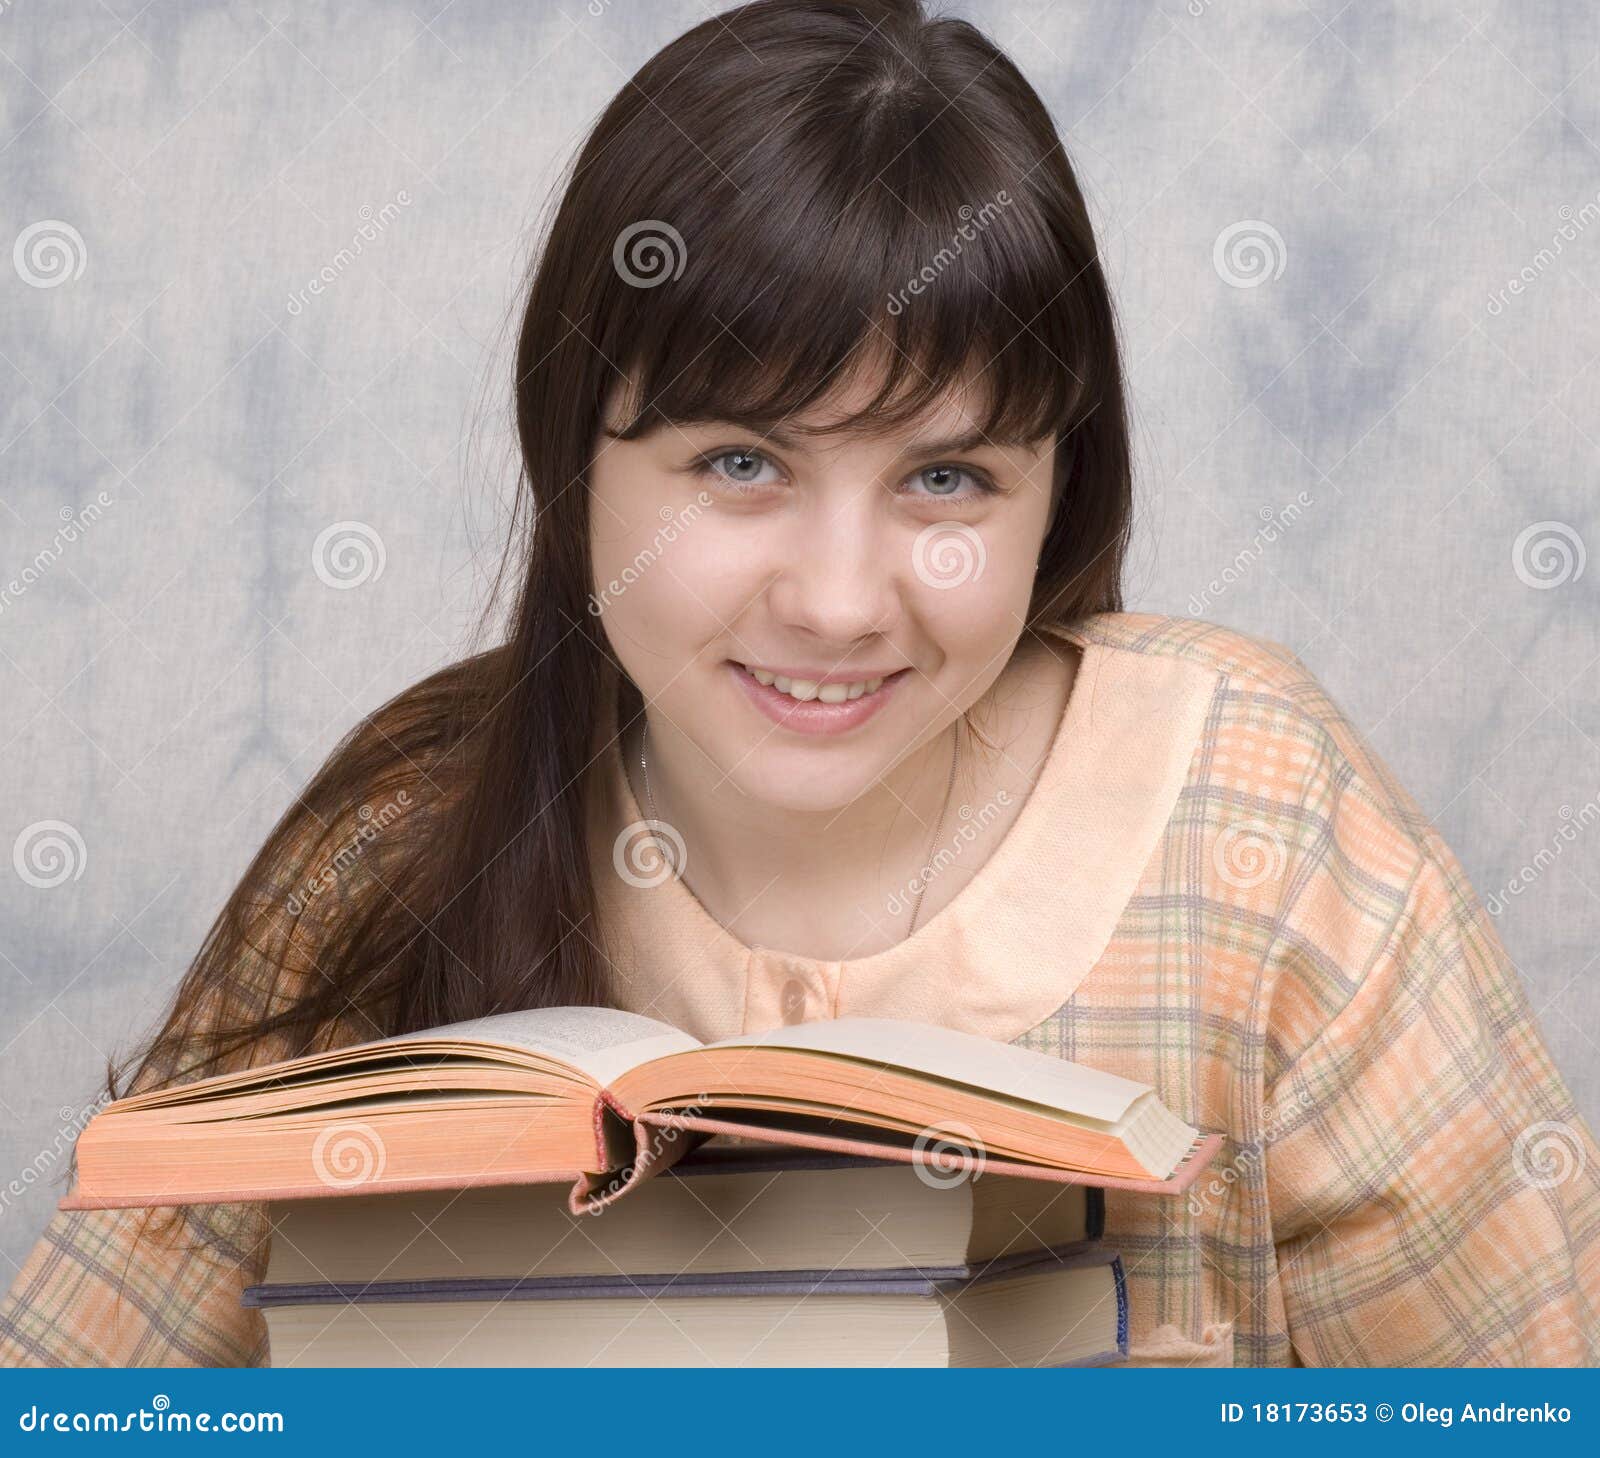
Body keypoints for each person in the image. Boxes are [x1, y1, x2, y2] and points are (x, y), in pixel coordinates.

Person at [3, 0, 1596, 1368]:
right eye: (741, 461)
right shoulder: (404, 833)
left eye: (950, 478)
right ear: (578, 467)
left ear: (1062, 490)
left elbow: (1537, 1399)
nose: (839, 600)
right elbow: (72, 1400)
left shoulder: (1261, 820)